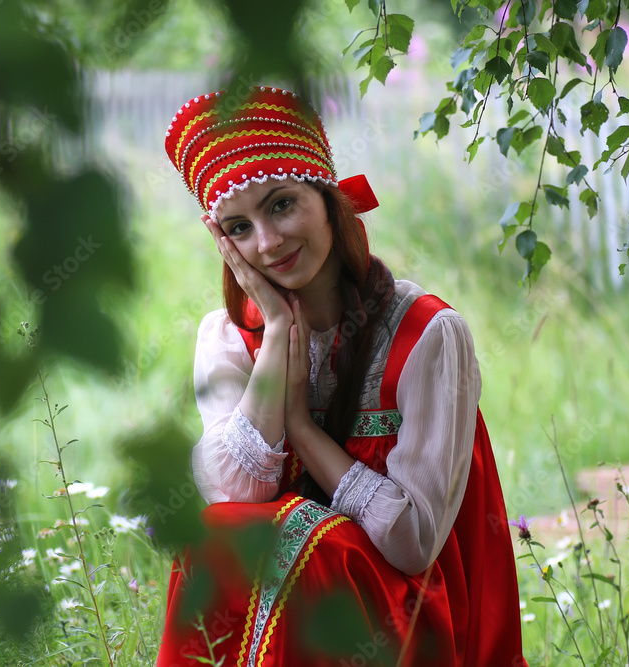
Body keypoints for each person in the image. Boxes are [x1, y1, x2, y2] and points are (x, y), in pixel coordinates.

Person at [156, 85, 525, 667]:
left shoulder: (426, 334)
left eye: (281, 204)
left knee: (313, 538)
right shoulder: (229, 338)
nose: (269, 242)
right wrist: (277, 334)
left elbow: (413, 543)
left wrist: (301, 428)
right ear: (222, 241)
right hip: (293, 606)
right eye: (240, 227)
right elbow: (232, 498)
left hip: (408, 614)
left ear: (327, 196)